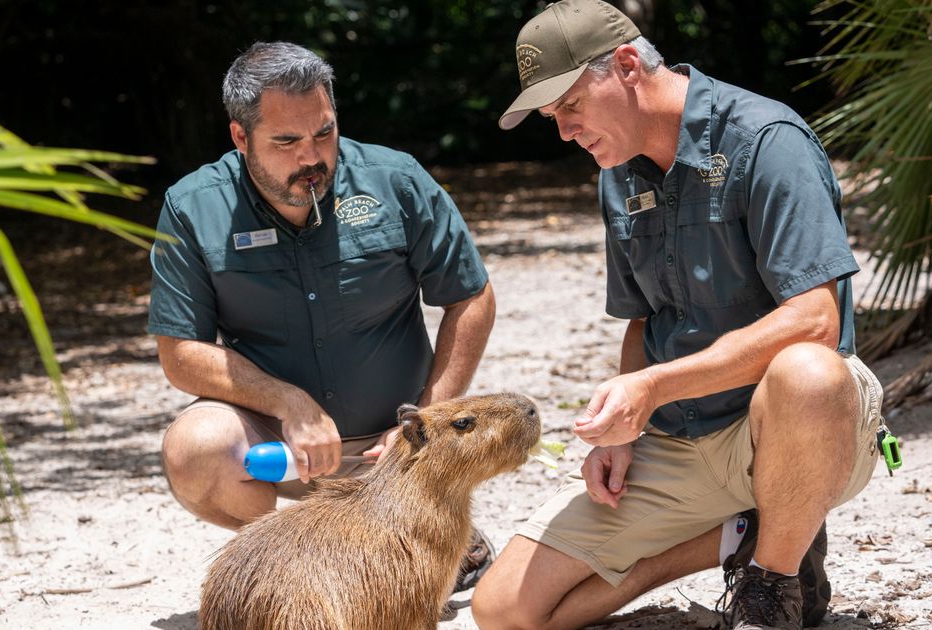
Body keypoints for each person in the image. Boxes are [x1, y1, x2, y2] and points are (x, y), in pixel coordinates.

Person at [472, 1, 885, 629]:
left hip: (795, 430)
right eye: (552, 116)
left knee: (808, 370)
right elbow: (642, 319)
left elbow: (815, 321)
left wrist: (653, 387)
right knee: (503, 613)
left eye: (571, 106)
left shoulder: (767, 139)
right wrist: (626, 433)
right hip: (680, 438)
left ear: (628, 64)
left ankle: (771, 590)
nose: (563, 132)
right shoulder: (615, 169)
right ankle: (737, 538)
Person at [147, 41, 498, 591]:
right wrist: (288, 403)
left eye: (324, 133)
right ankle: (297, 556)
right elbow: (181, 355)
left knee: (395, 593)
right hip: (280, 449)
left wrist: (425, 420)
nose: (312, 157)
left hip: (397, 446)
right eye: (286, 141)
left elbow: (472, 296)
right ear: (241, 138)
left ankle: (444, 538)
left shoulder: (395, 179)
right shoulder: (193, 206)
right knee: (195, 448)